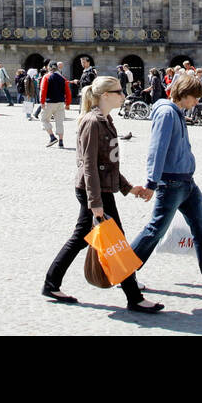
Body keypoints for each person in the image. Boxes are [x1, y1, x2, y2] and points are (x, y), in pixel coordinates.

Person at [42, 75, 162, 313]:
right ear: (105, 95)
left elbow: (109, 163)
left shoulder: (105, 120)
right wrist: (95, 203)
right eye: (119, 92)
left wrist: (129, 188)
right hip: (93, 190)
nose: (123, 95)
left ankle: (51, 283)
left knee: (82, 238)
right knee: (117, 241)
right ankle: (134, 297)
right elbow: (89, 165)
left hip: (99, 188)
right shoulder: (92, 122)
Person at [129, 76, 202, 292]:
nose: (198, 102)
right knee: (155, 229)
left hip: (186, 182)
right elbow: (157, 148)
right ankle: (123, 270)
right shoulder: (166, 113)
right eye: (196, 98)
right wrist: (151, 183)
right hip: (171, 182)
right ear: (186, 94)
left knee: (201, 227)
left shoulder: (176, 112)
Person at [40, 62, 71, 148]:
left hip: (49, 102)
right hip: (60, 103)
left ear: (49, 68)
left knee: (44, 119)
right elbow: (68, 92)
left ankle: (52, 137)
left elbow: (43, 90)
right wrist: (67, 103)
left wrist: (42, 102)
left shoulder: (46, 77)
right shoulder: (63, 78)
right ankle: (61, 142)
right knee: (59, 122)